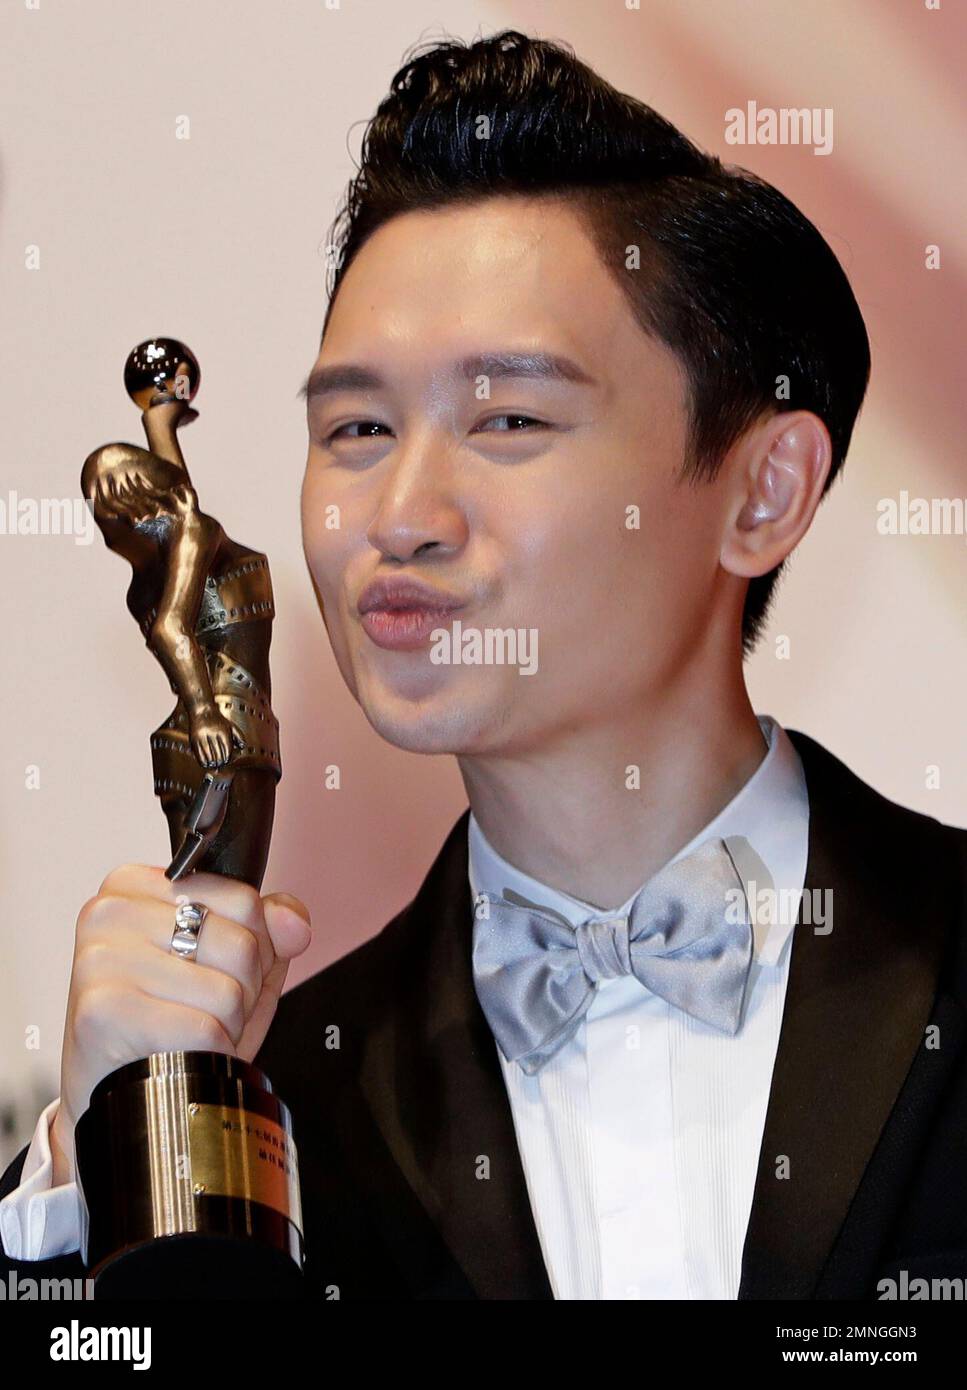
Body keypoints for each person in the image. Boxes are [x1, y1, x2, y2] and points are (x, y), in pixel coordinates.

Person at [2, 29, 965, 1301]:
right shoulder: (276, 1100)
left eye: (508, 419)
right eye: (356, 427)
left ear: (762, 489)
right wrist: (115, 1153)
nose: (399, 511)